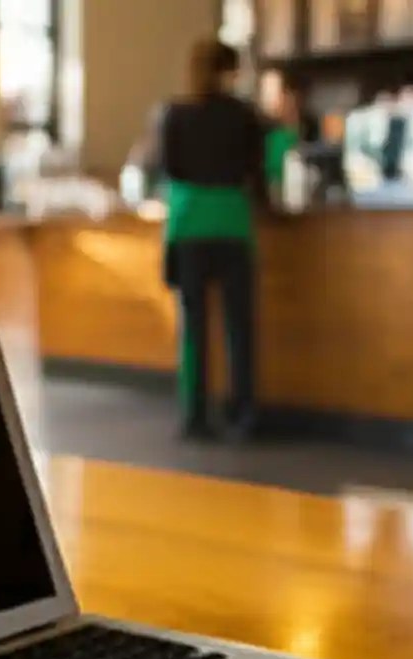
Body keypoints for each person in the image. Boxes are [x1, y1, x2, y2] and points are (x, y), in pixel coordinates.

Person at [159, 40, 266, 440]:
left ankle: (195, 415)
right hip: (233, 224)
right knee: (239, 326)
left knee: (195, 327)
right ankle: (244, 414)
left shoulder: (175, 114)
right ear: (227, 71)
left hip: (189, 225)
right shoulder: (244, 116)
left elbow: (170, 168)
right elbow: (257, 176)